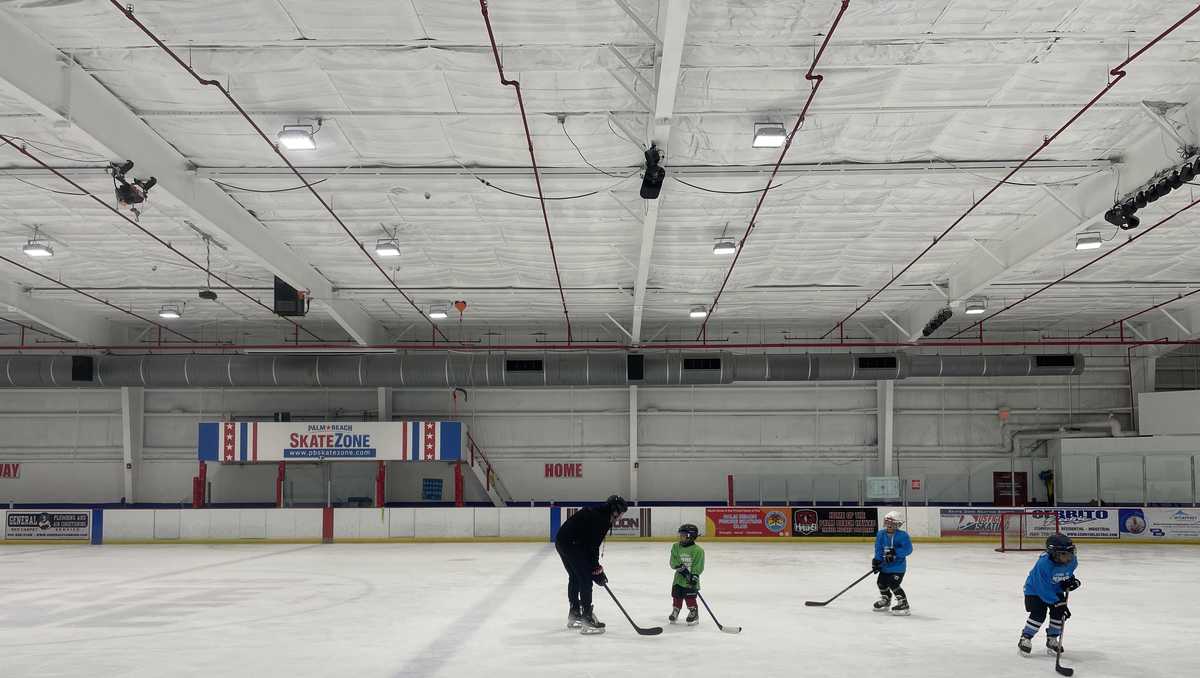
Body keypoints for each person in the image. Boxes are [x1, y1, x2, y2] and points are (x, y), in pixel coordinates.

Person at [554, 494, 628, 634]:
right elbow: (591, 548)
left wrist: (595, 569)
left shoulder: (598, 514)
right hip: (572, 544)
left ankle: (575, 613)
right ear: (615, 510)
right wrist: (595, 569)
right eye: (621, 513)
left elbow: (588, 546)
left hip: (562, 542)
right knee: (585, 579)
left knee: (575, 576)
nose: (621, 517)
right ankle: (587, 618)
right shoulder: (602, 520)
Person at [1019, 533, 1080, 656]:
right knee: (1038, 614)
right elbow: (1042, 588)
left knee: (1059, 614)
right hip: (1034, 590)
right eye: (1064, 554)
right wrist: (1057, 602)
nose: (1068, 557)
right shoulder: (1044, 564)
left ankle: (1052, 639)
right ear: (1054, 554)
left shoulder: (1072, 561)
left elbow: (1067, 574)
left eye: (1070, 553)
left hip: (1054, 589)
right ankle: (1026, 638)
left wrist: (1071, 581)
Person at [871, 510, 914, 615]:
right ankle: (886, 600)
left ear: (897, 524)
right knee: (880, 583)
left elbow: (908, 549)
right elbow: (878, 549)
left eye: (892, 523)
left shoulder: (903, 535)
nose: (889, 525)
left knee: (893, 583)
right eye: (888, 522)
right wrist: (876, 561)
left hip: (898, 567)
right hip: (884, 567)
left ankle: (904, 603)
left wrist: (895, 552)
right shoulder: (881, 534)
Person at [668, 523, 704, 625]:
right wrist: (681, 568)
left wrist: (694, 576)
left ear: (691, 537)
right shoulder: (676, 546)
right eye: (681, 535)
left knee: (690, 597)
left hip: (690, 579)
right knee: (676, 595)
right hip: (678, 579)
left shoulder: (698, 551)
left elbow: (698, 565)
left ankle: (694, 612)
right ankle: (676, 610)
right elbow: (673, 561)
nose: (681, 537)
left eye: (684, 535)